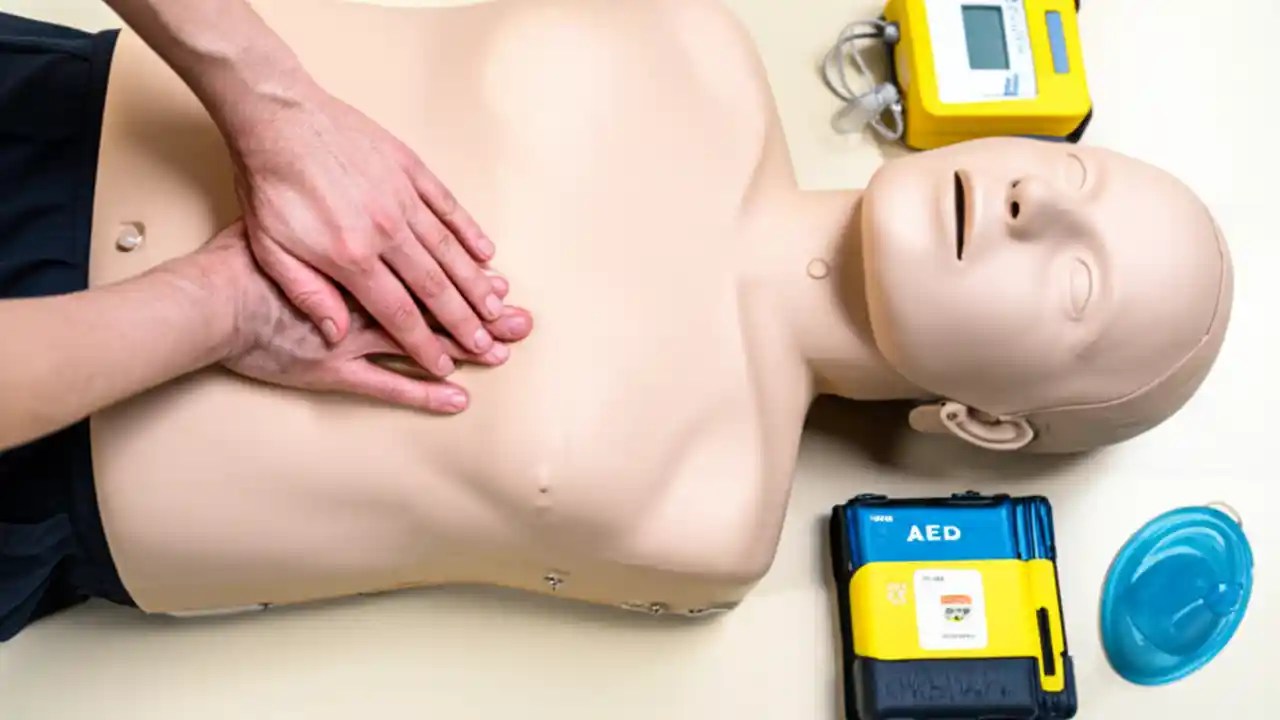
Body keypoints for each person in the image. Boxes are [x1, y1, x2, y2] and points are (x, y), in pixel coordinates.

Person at [0, 0, 1231, 641]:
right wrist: (266, 96)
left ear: (983, 426)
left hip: (44, 474)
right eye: (1067, 176)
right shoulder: (696, 40)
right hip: (60, 98)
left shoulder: (711, 518)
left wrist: (209, 308)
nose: (1027, 205)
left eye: (1074, 284)